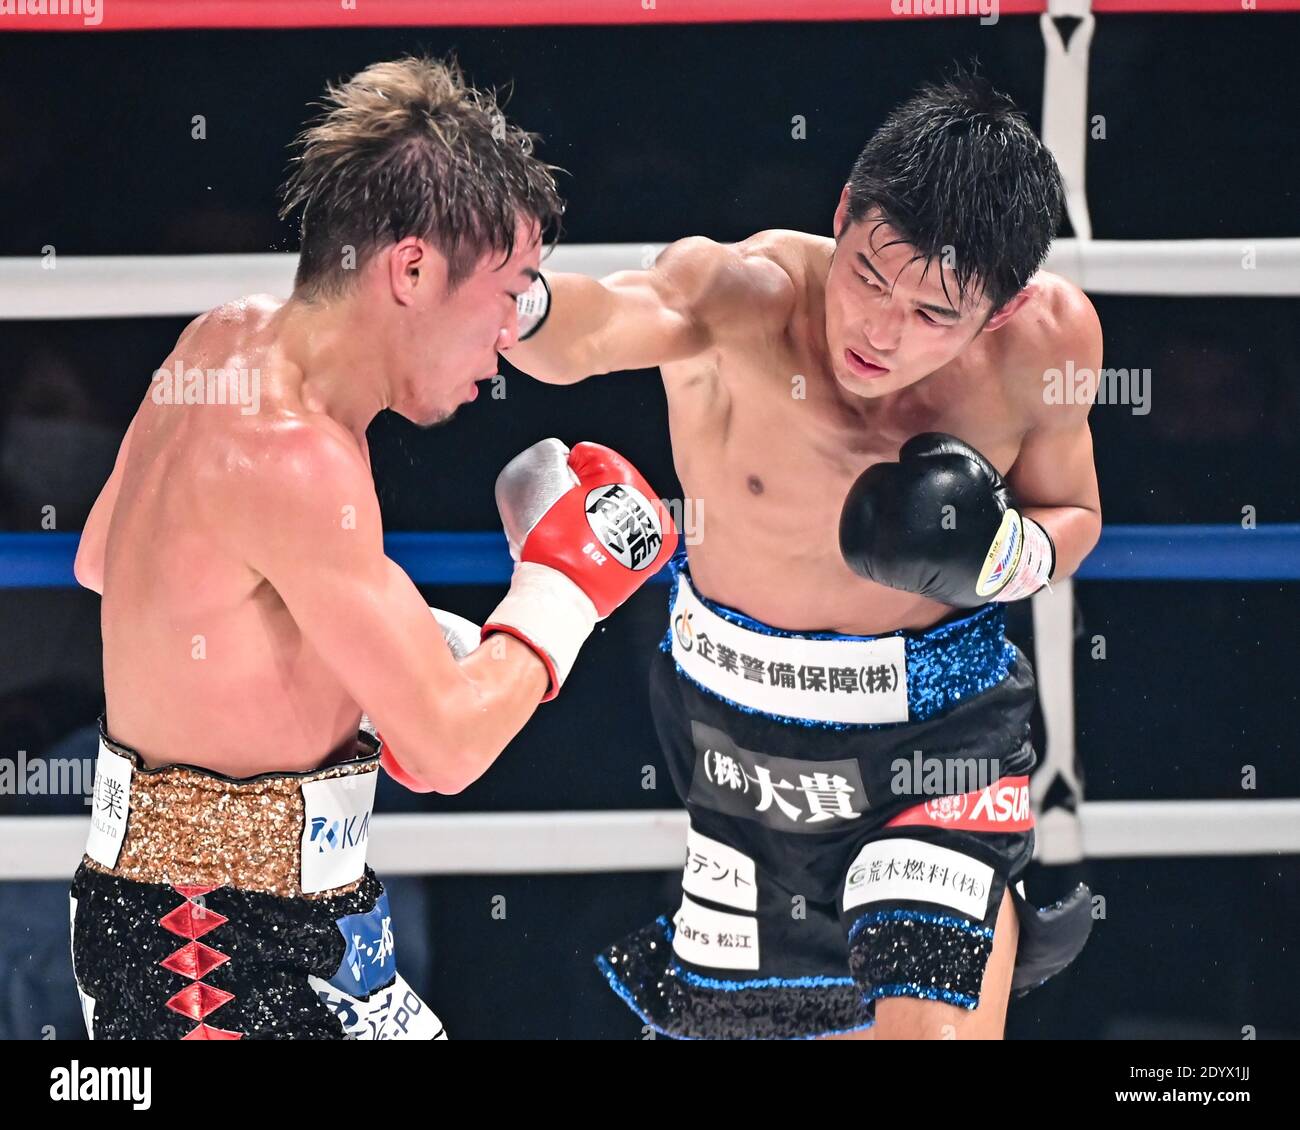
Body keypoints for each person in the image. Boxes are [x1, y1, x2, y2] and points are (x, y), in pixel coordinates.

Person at [68, 56, 677, 1040]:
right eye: (511, 289)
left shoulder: (221, 341)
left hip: (278, 919)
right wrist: (564, 591)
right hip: (207, 951)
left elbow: (107, 558)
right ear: (411, 268)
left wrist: (376, 640)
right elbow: (440, 749)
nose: (513, 335)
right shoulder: (294, 458)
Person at [503, 70, 1101, 1040]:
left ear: (997, 309)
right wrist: (510, 304)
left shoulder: (1045, 341)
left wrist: (1004, 556)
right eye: (869, 274)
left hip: (938, 734)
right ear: (842, 214)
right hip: (740, 741)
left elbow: (1072, 511)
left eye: (931, 314)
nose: (880, 327)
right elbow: (598, 326)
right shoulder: (747, 297)